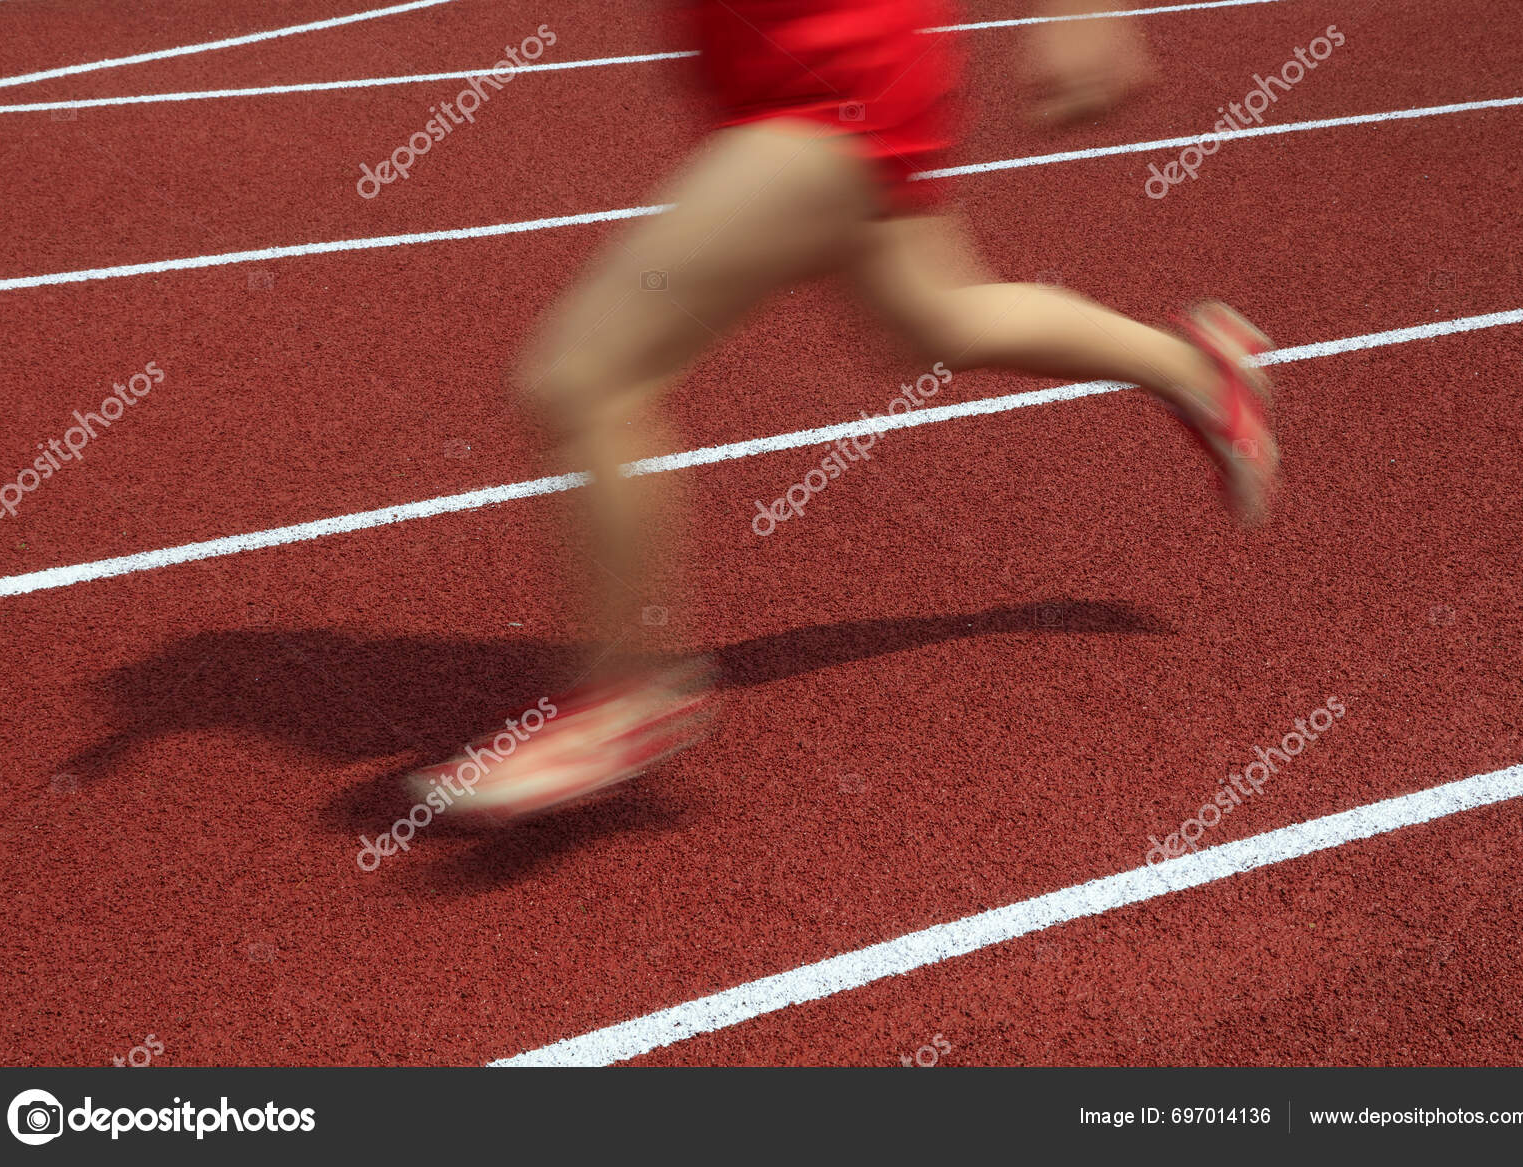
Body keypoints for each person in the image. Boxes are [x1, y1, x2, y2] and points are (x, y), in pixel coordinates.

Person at [406, 0, 1278, 818]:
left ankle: (623, 693)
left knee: (582, 378)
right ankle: (1198, 370)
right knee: (937, 317)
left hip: (831, 81)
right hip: (780, 77)